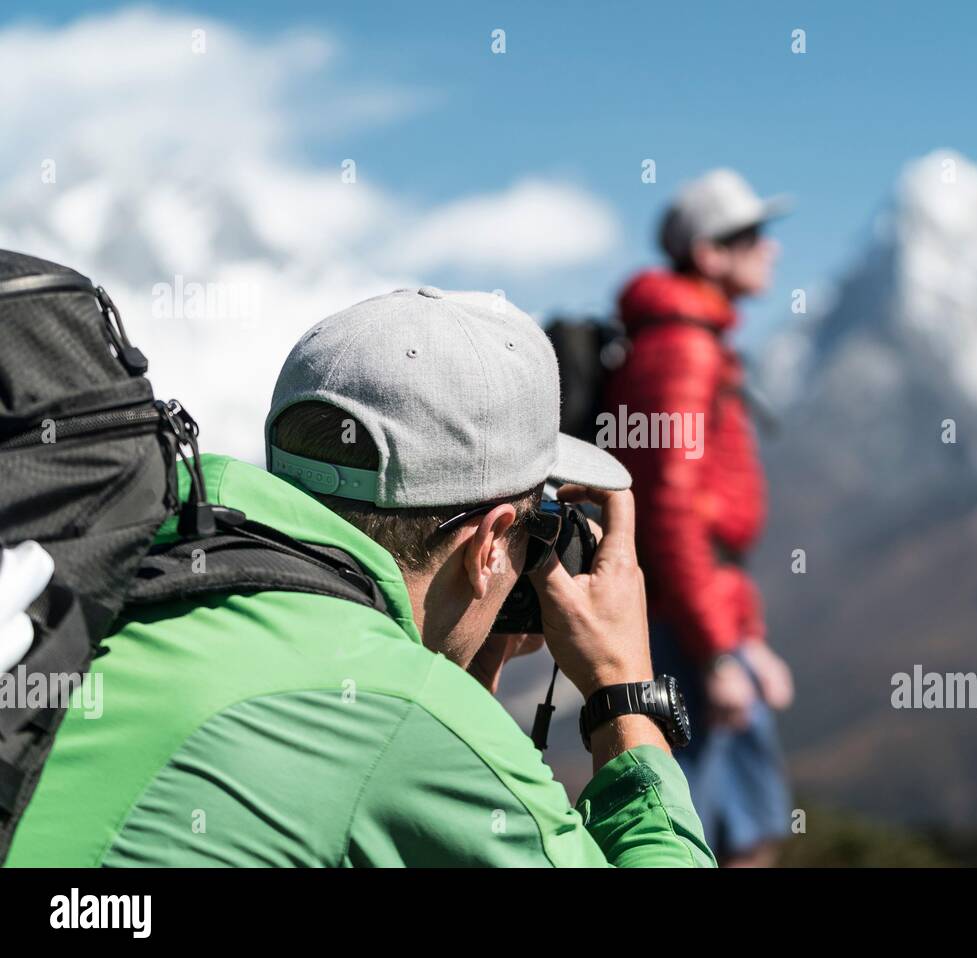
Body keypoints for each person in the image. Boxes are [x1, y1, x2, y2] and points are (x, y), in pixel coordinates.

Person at [7, 286, 713, 867]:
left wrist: (457, 662)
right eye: (534, 529)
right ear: (495, 539)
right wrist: (624, 692)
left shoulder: (136, 566)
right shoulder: (404, 713)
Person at [605, 169, 794, 866]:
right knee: (705, 828)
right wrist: (717, 651)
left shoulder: (690, 339)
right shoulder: (682, 348)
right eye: (751, 236)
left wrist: (747, 636)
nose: (770, 249)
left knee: (744, 821)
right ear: (710, 255)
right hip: (687, 623)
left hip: (704, 613)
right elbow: (671, 511)